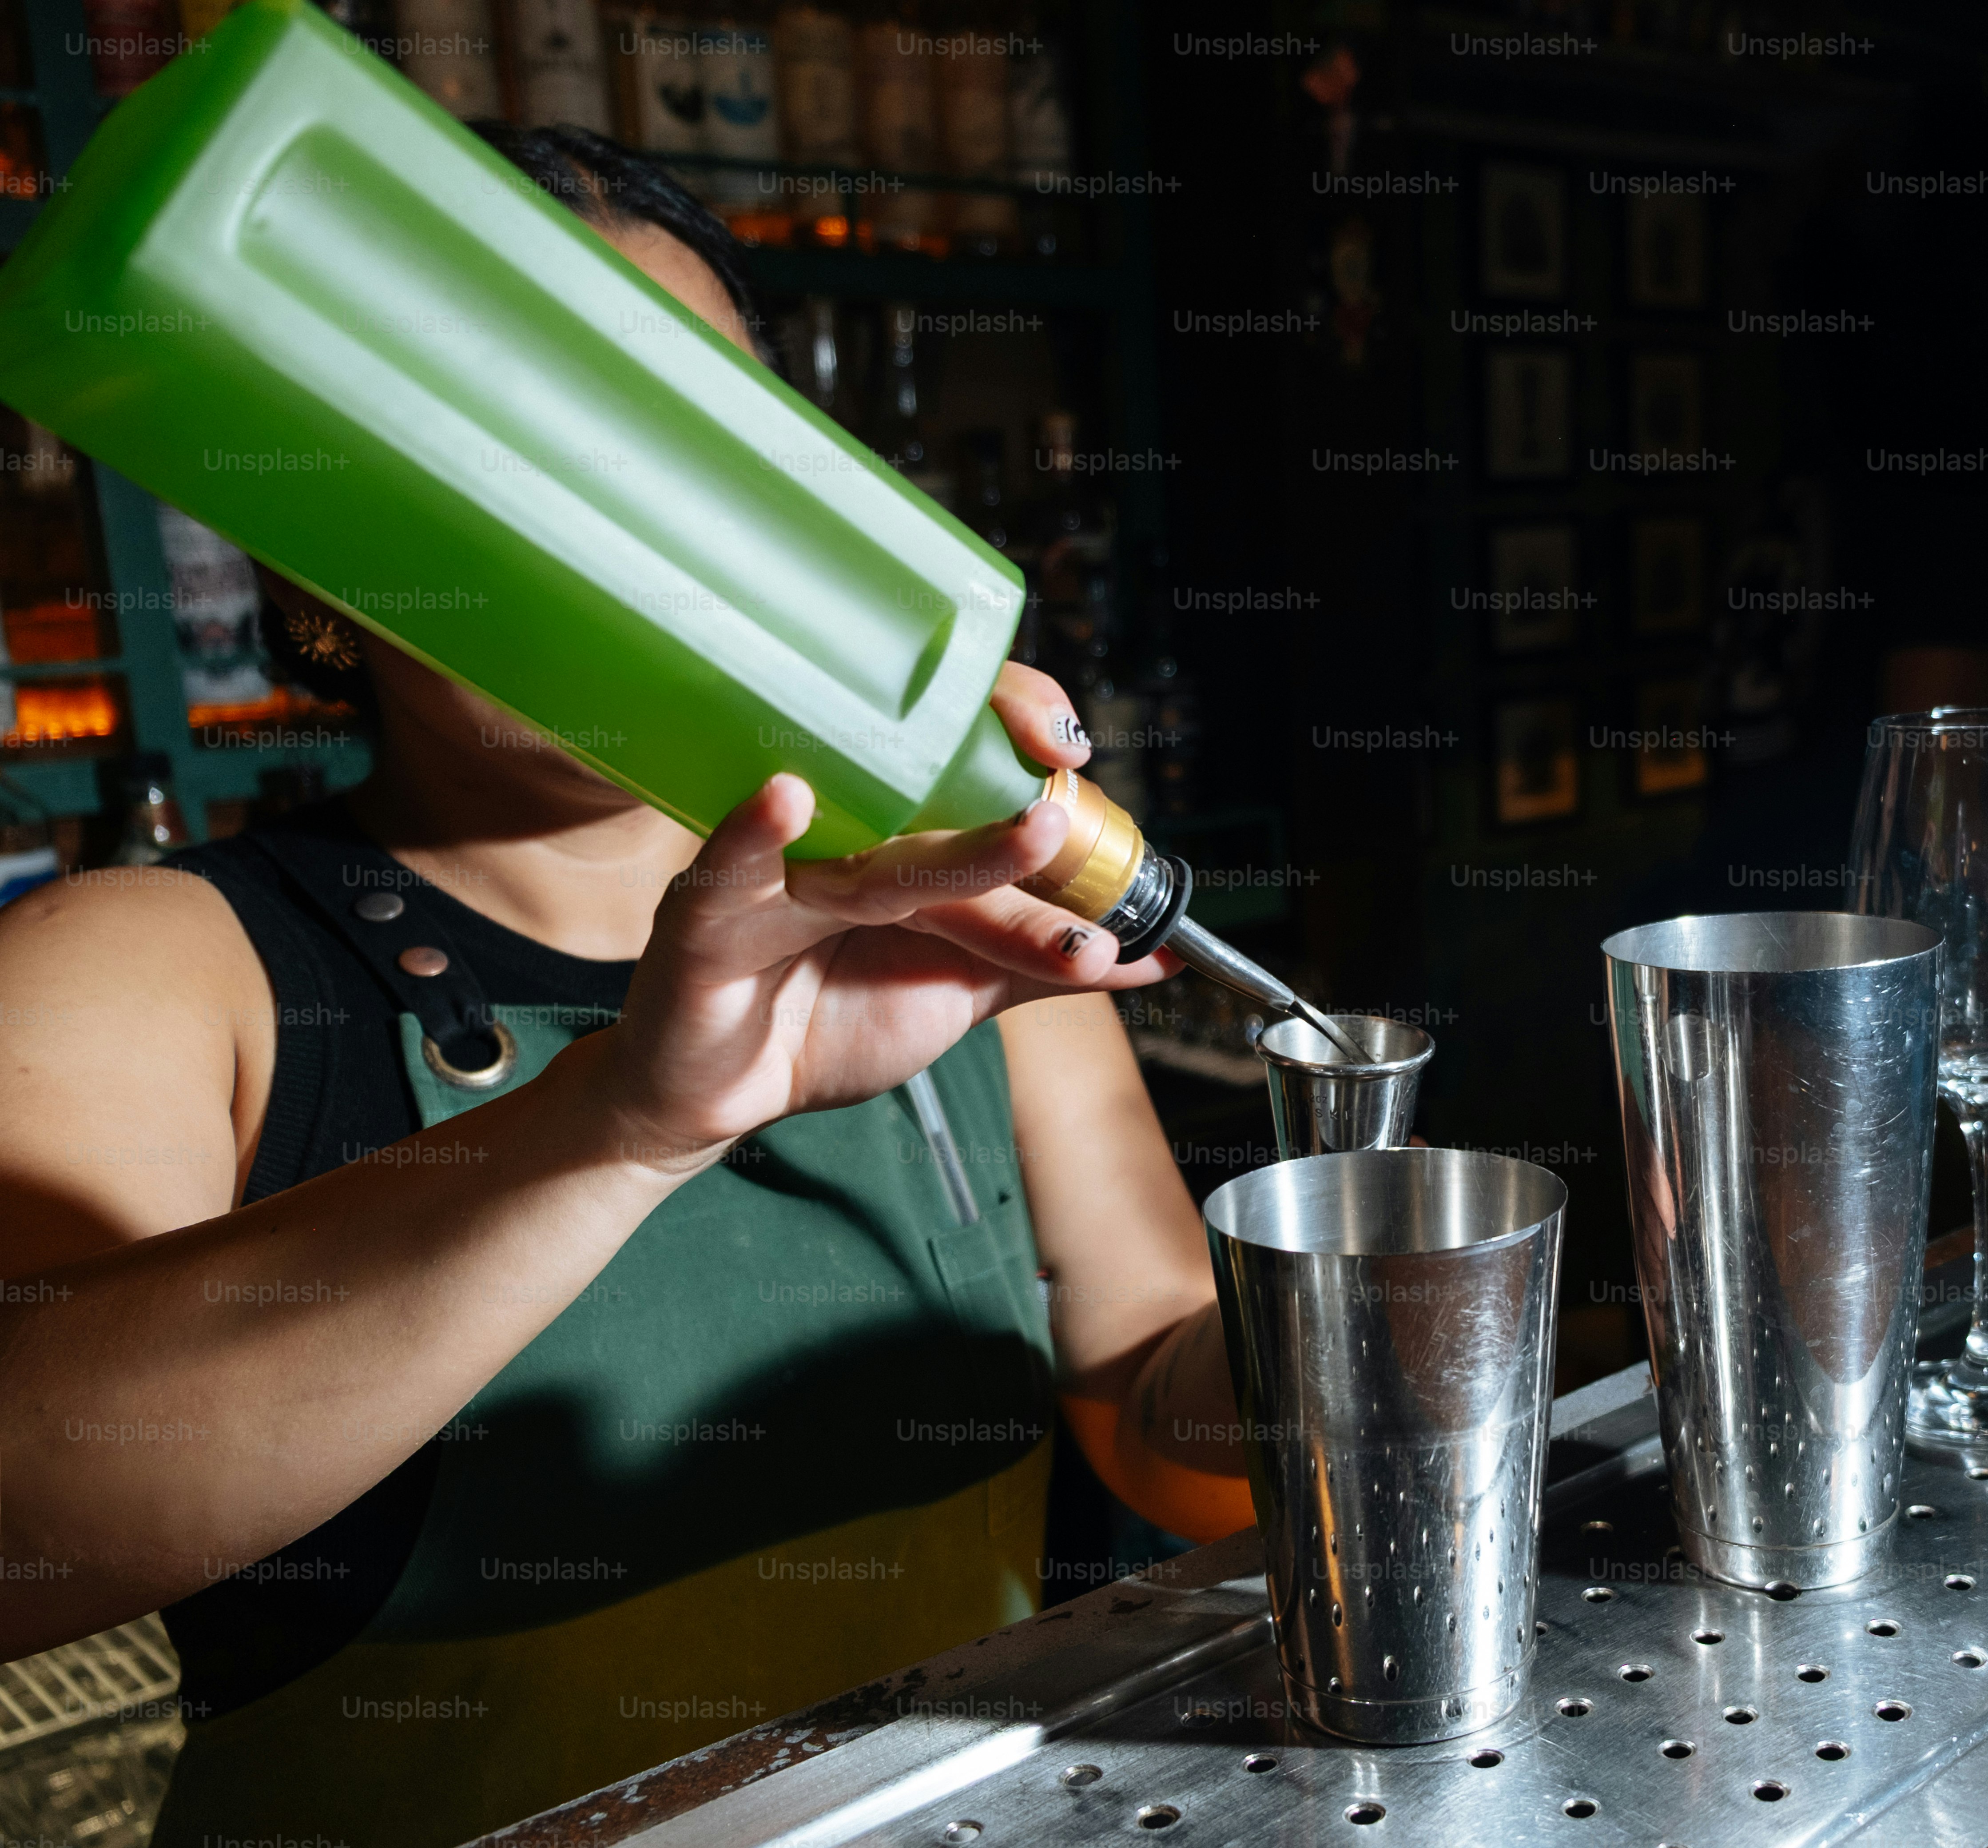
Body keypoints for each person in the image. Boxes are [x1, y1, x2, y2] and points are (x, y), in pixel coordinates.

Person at [0, 125, 1250, 1844]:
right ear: (307, 555)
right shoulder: (143, 970)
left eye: (685, 450)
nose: (608, 523)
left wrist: (1381, 1340)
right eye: (500, 438)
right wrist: (623, 1127)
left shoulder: (951, 931)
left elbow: (1154, 1413)